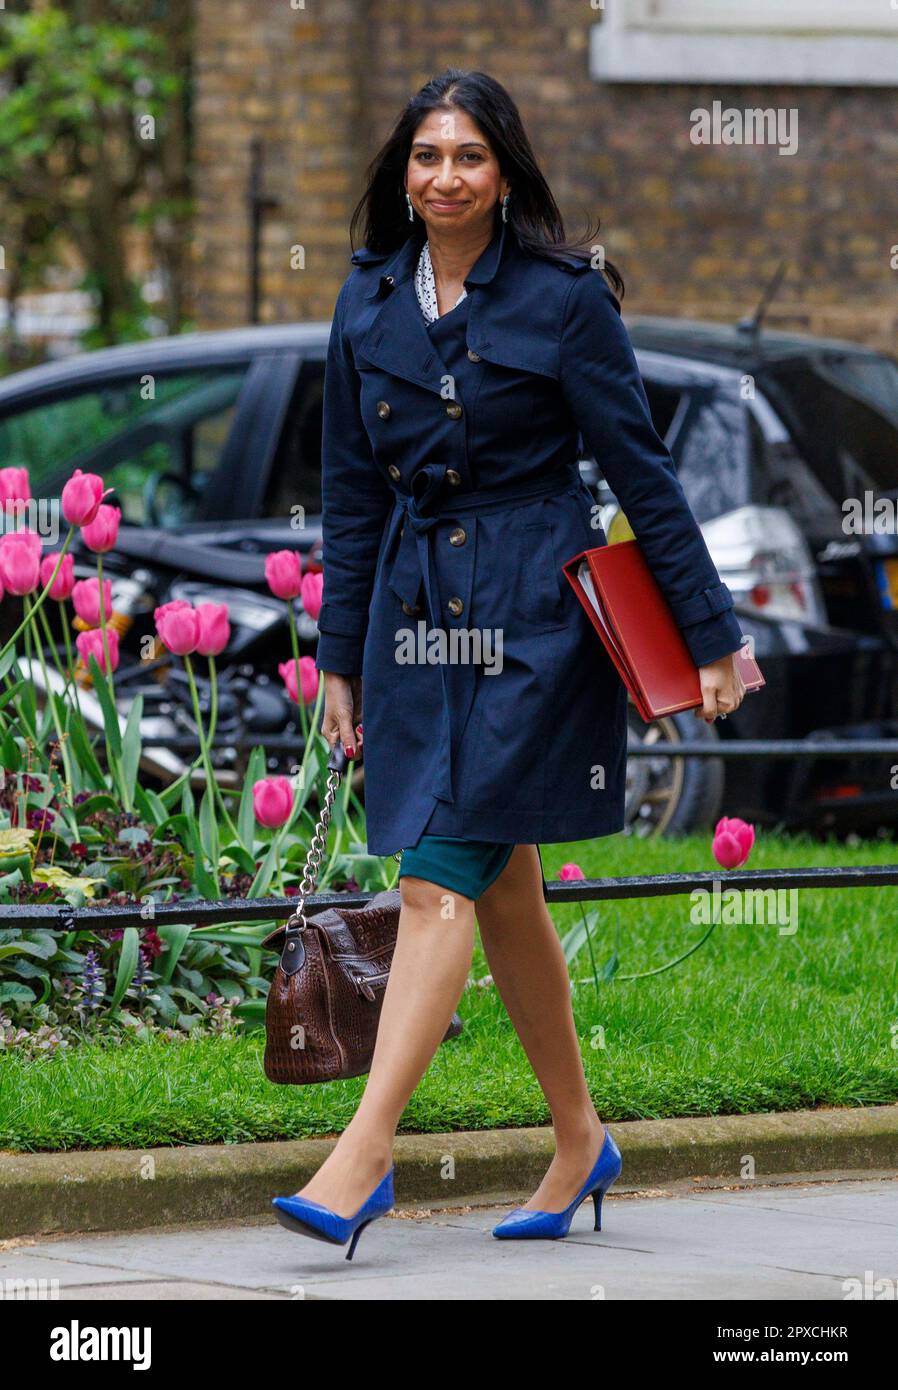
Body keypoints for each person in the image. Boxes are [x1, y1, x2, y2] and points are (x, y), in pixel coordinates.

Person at [272, 67, 746, 1257]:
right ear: (402, 173)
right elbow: (346, 495)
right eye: (426, 156)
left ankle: (360, 1154)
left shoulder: (565, 299)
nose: (444, 177)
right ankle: (581, 1139)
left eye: (468, 157)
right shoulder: (365, 299)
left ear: (504, 172)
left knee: (438, 876)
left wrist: (712, 635)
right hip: (415, 618)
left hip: (537, 617)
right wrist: (339, 658)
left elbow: (642, 474)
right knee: (504, 887)